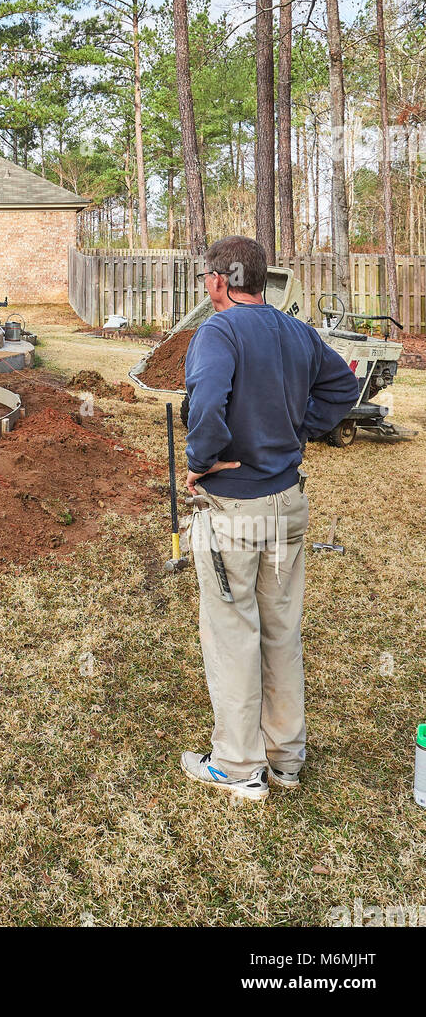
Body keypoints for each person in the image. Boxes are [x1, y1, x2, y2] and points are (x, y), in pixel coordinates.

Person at [180, 235, 360, 801]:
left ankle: (237, 766)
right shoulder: (296, 330)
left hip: (234, 508)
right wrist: (299, 427)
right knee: (280, 628)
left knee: (234, 634)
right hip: (288, 505)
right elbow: (343, 386)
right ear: (259, 281)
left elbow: (205, 404)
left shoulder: (218, 331)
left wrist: (202, 460)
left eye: (206, 280)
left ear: (218, 281)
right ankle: (286, 757)